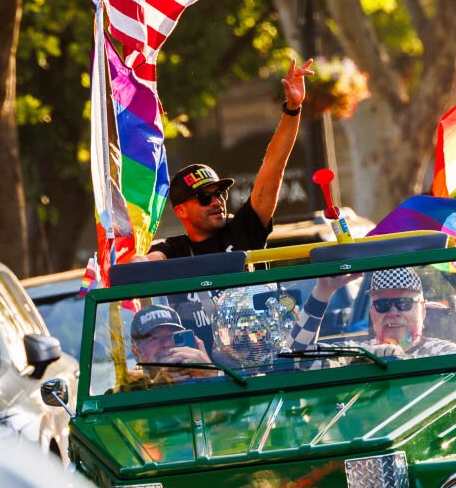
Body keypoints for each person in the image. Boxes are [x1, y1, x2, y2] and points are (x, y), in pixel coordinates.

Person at [141, 57, 313, 260]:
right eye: (205, 198)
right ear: (181, 211)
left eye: (220, 194)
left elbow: (274, 165)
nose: (217, 202)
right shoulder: (174, 250)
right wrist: (133, 262)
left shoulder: (243, 228)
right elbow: (145, 262)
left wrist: (292, 110)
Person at [123, 304, 217, 386]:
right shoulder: (127, 390)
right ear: (136, 352)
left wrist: (212, 374)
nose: (166, 344)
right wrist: (158, 387)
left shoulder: (200, 376)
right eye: (154, 338)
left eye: (171, 335)